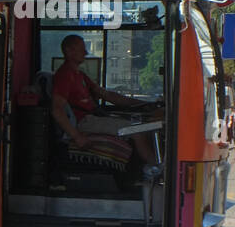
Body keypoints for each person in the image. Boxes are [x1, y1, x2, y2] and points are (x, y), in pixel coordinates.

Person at [51, 34, 157, 164]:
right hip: (84, 121)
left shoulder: (80, 75)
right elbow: (57, 109)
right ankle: (157, 169)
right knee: (137, 131)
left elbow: (108, 95)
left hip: (93, 117)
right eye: (81, 48)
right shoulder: (64, 75)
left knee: (143, 128)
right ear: (69, 51)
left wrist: (143, 104)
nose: (86, 52)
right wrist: (76, 136)